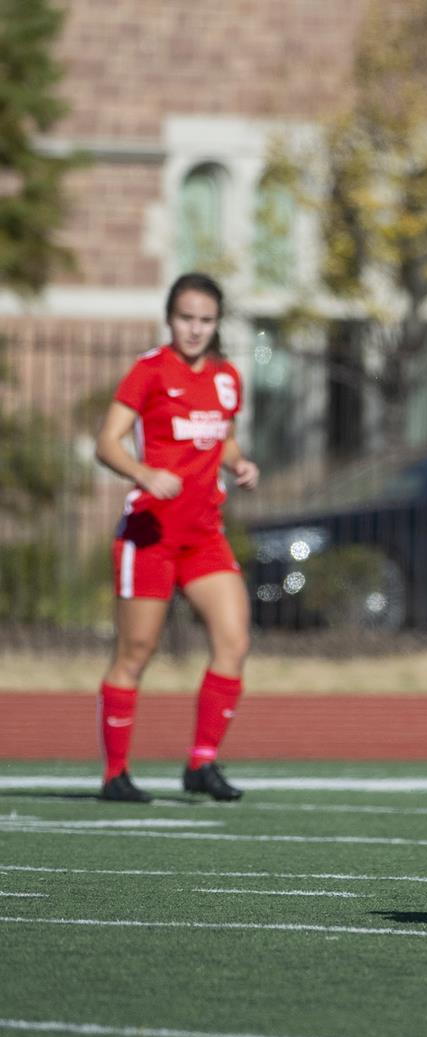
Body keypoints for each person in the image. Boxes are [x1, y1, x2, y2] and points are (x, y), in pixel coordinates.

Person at [93, 273, 259, 803]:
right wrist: (142, 473)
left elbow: (224, 436)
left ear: (217, 324)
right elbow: (107, 442)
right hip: (151, 535)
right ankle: (116, 773)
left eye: (206, 320)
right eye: (187, 318)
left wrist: (239, 463)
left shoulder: (228, 376)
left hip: (204, 535)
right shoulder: (149, 371)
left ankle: (201, 763)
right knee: (136, 652)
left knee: (234, 642)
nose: (195, 329)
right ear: (170, 318)